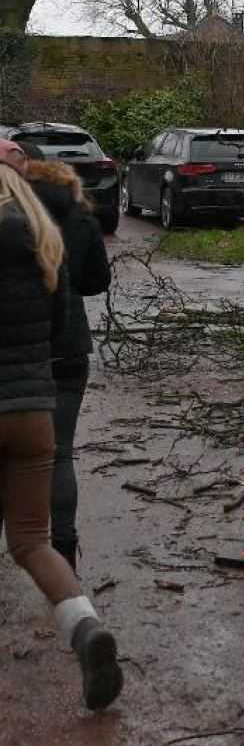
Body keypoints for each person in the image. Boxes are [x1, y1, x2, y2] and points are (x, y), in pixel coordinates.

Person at [0, 141, 123, 711]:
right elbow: (60, 322)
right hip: (32, 409)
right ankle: (85, 629)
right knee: (31, 539)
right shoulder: (44, 241)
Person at [24, 156, 111, 571]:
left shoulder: (13, 214)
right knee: (60, 454)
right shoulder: (80, 216)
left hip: (18, 352)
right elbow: (97, 281)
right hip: (69, 347)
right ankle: (64, 549)